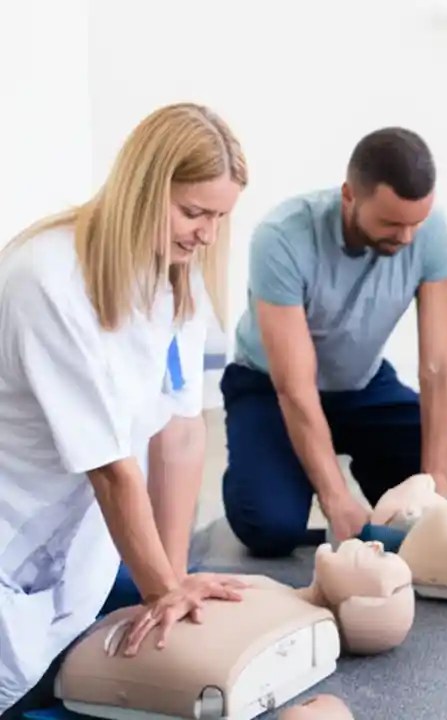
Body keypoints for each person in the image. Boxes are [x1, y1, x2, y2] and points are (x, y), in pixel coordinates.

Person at [0, 102, 250, 717]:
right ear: (144, 189)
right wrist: (161, 586)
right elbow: (109, 467)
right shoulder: (48, 279)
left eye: (220, 217)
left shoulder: (175, 280)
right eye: (193, 212)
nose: (207, 234)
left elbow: (180, 433)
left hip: (81, 540)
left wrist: (171, 578)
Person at [220, 127, 447, 558]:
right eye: (390, 223)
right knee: (268, 526)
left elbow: (440, 365)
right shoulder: (282, 237)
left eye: (414, 223)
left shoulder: (430, 231)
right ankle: (274, 469)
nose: (405, 238)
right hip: (270, 389)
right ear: (349, 195)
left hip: (363, 385)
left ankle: (373, 470)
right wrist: (335, 497)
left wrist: (433, 487)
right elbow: (295, 384)